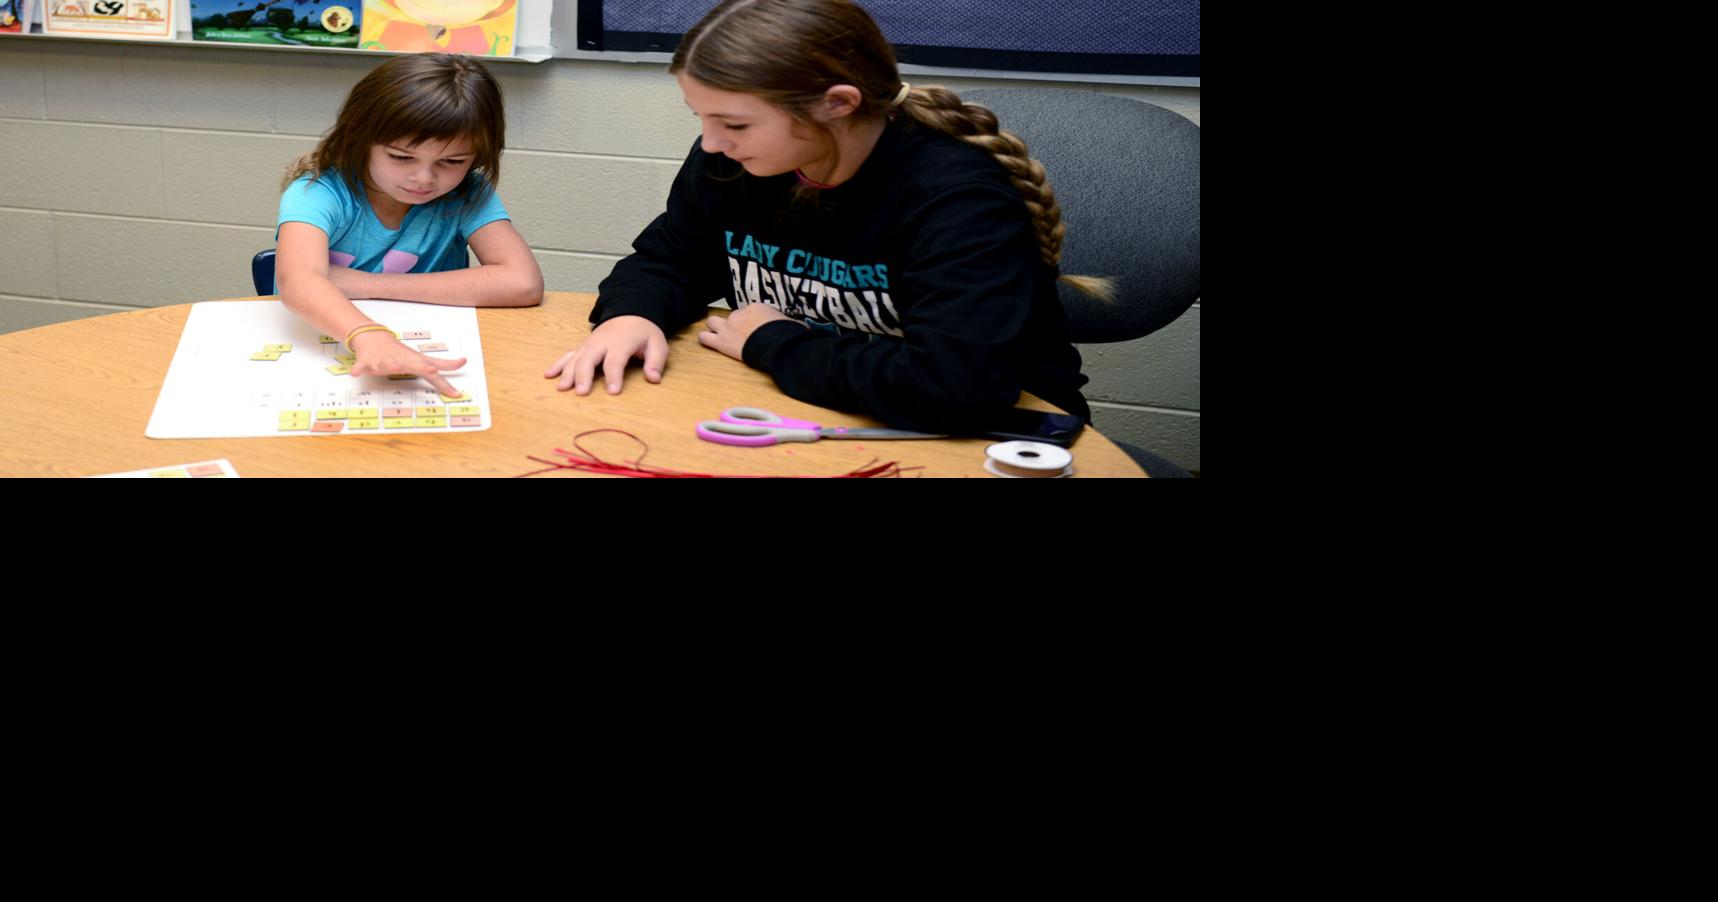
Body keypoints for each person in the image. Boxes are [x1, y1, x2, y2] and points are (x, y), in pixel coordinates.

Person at [545, 0, 1105, 434]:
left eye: (734, 125)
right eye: (701, 118)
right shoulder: (734, 163)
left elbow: (955, 387)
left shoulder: (956, 197)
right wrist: (632, 316)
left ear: (838, 103)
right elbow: (671, 258)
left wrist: (772, 342)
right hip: (814, 406)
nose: (711, 144)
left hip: (996, 436)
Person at [277, 52, 541, 397]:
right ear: (358, 139)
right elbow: (296, 280)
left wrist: (366, 284)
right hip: (335, 339)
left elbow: (522, 283)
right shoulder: (317, 191)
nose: (424, 178)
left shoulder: (467, 193)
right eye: (401, 157)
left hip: (435, 341)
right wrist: (365, 334)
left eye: (452, 161)